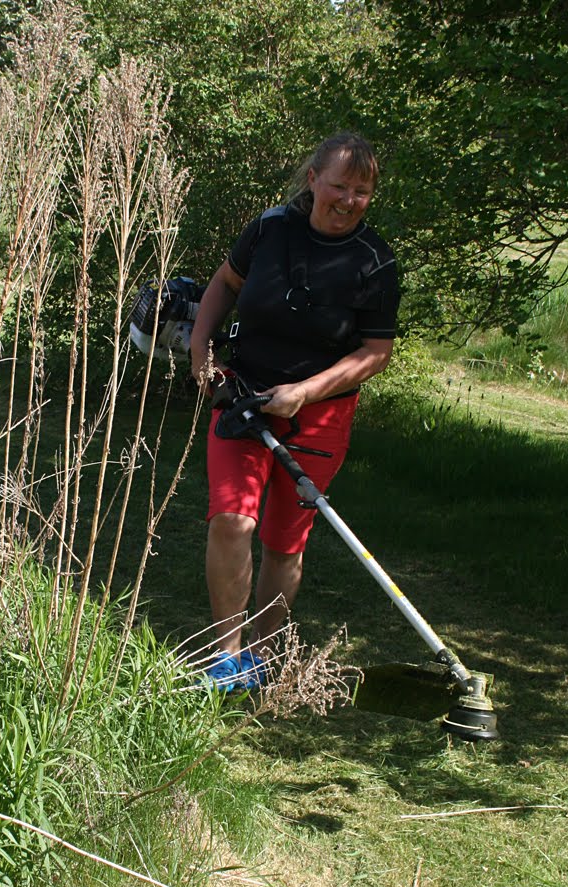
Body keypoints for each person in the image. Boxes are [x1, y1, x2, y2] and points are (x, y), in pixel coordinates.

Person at [188, 131, 400, 691]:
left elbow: (376, 352)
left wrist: (307, 390)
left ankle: (260, 658)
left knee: (284, 542)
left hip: (318, 418)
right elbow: (224, 284)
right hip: (243, 397)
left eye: (362, 191)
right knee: (232, 521)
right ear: (313, 180)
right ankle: (225, 658)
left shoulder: (375, 262)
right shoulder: (270, 229)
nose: (349, 200)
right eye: (339, 186)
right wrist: (200, 350)